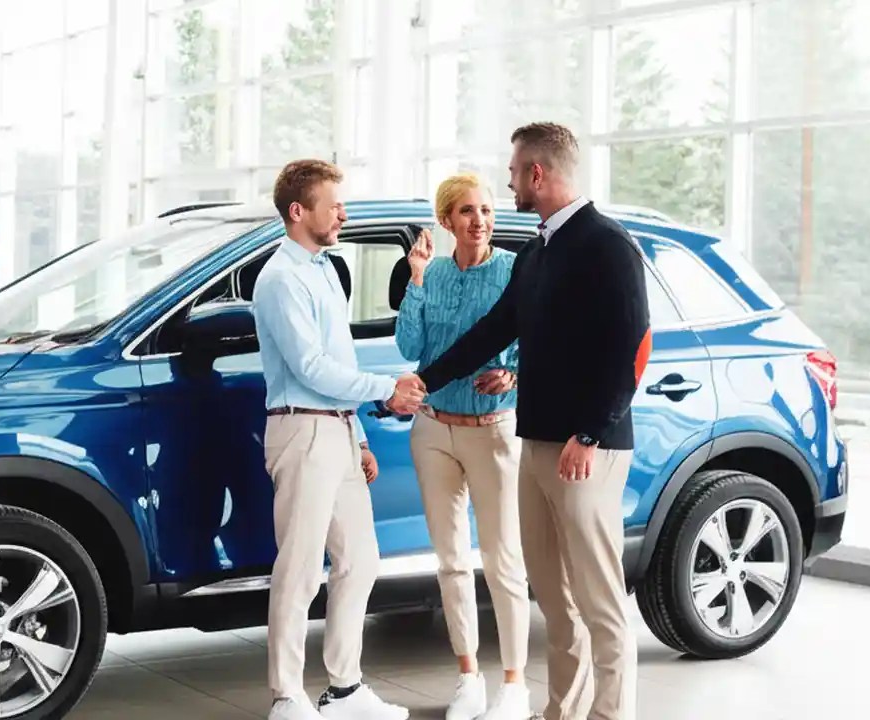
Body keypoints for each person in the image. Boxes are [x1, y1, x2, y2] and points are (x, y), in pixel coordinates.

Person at [415, 123, 651, 720]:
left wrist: (590, 434)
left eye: (515, 171)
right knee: (553, 595)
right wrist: (424, 382)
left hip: (586, 449)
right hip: (534, 442)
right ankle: (561, 711)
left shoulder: (607, 244)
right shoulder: (537, 251)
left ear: (538, 174)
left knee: (599, 599)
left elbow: (632, 348)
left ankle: (610, 714)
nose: (511, 182)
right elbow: (495, 330)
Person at [253, 158, 423, 720]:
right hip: (302, 430)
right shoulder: (281, 279)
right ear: (298, 211)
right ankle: (287, 697)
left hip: (338, 430)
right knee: (300, 569)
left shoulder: (326, 269)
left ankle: (344, 691)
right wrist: (386, 389)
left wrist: (361, 435)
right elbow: (309, 367)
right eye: (333, 205)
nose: (343, 214)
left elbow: (339, 362)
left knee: (360, 560)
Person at [394, 173, 532, 720]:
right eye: (468, 211)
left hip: (493, 430)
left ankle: (515, 685)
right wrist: (416, 278)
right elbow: (411, 345)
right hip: (433, 430)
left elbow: (537, 338)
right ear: (447, 220)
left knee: (503, 561)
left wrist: (515, 375)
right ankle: (468, 676)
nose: (480, 221)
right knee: (451, 562)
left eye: (486, 210)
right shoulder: (434, 273)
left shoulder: (514, 270)